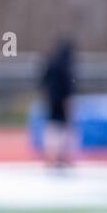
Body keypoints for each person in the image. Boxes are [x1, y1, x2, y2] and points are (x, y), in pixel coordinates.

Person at [40, 38, 77, 169]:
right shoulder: (66, 68)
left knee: (53, 130)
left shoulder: (51, 64)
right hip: (60, 103)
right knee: (64, 131)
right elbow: (68, 91)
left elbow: (42, 82)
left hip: (51, 102)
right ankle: (60, 158)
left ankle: (53, 158)